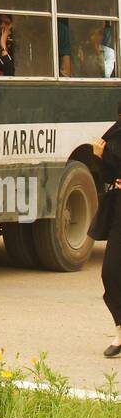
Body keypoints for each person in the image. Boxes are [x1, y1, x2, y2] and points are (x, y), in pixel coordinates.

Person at [90, 103, 121, 357]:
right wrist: (100, 158)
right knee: (110, 273)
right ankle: (120, 330)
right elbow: (109, 177)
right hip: (118, 213)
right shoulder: (114, 137)